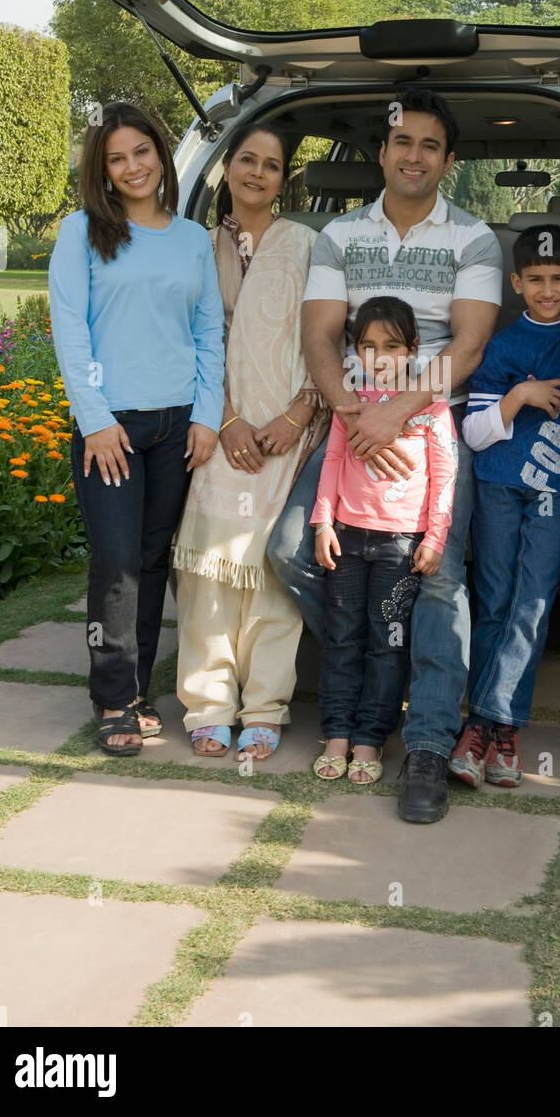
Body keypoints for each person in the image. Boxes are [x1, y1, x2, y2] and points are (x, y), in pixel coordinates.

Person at [267, 87, 502, 823]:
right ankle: (382, 652)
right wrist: (353, 413)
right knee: (288, 549)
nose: (414, 155)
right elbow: (320, 335)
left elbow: (466, 345)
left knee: (437, 577)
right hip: (351, 421)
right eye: (403, 141)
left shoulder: (474, 238)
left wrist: (396, 414)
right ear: (383, 151)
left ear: (448, 161)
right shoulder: (339, 235)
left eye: (430, 145)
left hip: (433, 427)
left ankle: (427, 741)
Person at [48, 102, 224, 756]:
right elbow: (70, 327)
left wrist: (207, 416)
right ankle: (113, 698)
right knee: (117, 565)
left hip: (177, 426)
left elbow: (209, 331)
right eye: (116, 159)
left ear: (159, 154)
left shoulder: (191, 239)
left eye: (141, 153)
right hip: (111, 429)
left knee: (153, 563)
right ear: (103, 169)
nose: (131, 168)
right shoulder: (81, 232)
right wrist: (93, 421)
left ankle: (136, 689)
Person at [173, 124, 329, 760]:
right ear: (228, 168)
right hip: (216, 425)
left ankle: (265, 704)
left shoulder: (310, 246)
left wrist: (297, 414)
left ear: (284, 178)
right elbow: (183, 336)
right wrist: (227, 416)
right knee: (207, 568)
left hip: (291, 425)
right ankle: (208, 702)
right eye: (246, 160)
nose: (257, 173)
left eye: (271, 165)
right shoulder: (196, 246)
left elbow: (332, 338)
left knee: (269, 569)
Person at [451, 224, 560, 788]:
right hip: (500, 487)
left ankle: (489, 726)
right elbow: (476, 433)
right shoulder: (503, 346)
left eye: (559, 279)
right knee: (494, 600)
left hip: (556, 490)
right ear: (516, 282)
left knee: (532, 604)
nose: (548, 290)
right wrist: (517, 397)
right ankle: (498, 729)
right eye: (536, 279)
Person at [312, 297, 457, 785]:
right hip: (348, 539)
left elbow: (445, 474)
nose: (380, 357)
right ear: (355, 350)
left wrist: (434, 538)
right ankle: (336, 735)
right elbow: (334, 461)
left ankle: (371, 739)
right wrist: (323, 523)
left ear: (414, 349)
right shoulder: (350, 403)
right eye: (368, 346)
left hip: (400, 543)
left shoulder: (431, 405)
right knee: (342, 638)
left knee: (387, 643)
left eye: (392, 346)